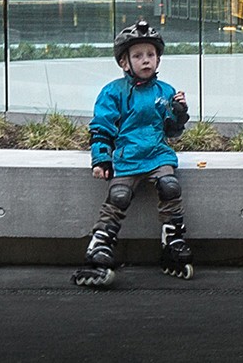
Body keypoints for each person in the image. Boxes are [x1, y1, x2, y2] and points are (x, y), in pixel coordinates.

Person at [74, 18, 193, 289]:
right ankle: (99, 244)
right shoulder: (113, 92)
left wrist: (179, 113)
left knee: (170, 185)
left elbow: (173, 132)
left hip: (158, 153)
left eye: (151, 55)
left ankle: (173, 240)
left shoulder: (166, 91)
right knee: (119, 195)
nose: (146, 60)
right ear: (124, 62)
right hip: (127, 156)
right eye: (138, 56)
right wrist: (101, 157)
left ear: (158, 60)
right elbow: (101, 126)